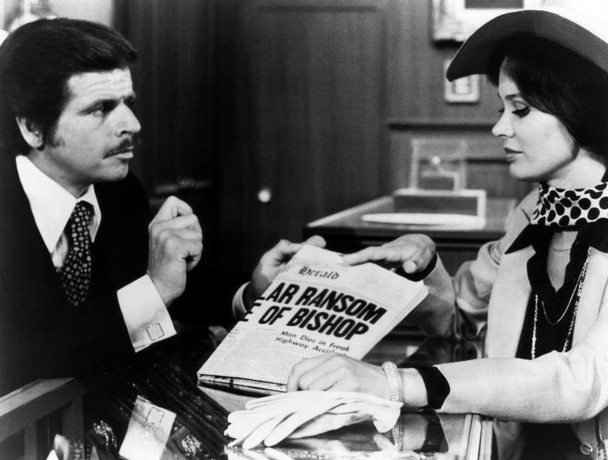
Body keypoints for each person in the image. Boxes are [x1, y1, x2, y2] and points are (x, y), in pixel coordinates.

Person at [238, 1, 608, 456]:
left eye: (521, 109)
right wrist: (422, 269)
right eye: (501, 108)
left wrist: (393, 382)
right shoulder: (532, 213)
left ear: (581, 108)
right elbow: (462, 327)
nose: (498, 127)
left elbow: (584, 381)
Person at [0, 17, 226, 397]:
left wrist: (250, 292)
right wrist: (153, 290)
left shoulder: (120, 193)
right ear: (33, 128)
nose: (132, 124)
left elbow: (174, 291)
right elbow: (24, 355)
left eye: (128, 104)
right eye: (101, 108)